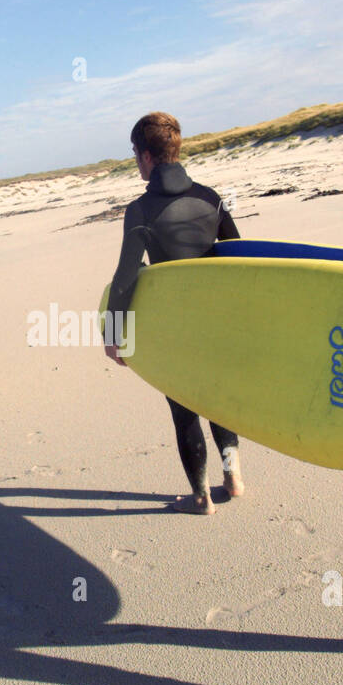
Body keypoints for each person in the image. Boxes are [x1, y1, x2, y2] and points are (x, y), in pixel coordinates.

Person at [105, 112, 245, 515]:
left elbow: (126, 277)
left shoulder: (141, 210)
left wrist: (113, 332)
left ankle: (201, 497)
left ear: (147, 156)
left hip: (175, 329)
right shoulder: (210, 197)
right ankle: (232, 478)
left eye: (135, 152)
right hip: (217, 324)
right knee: (220, 401)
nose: (135, 160)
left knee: (185, 410)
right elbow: (240, 256)